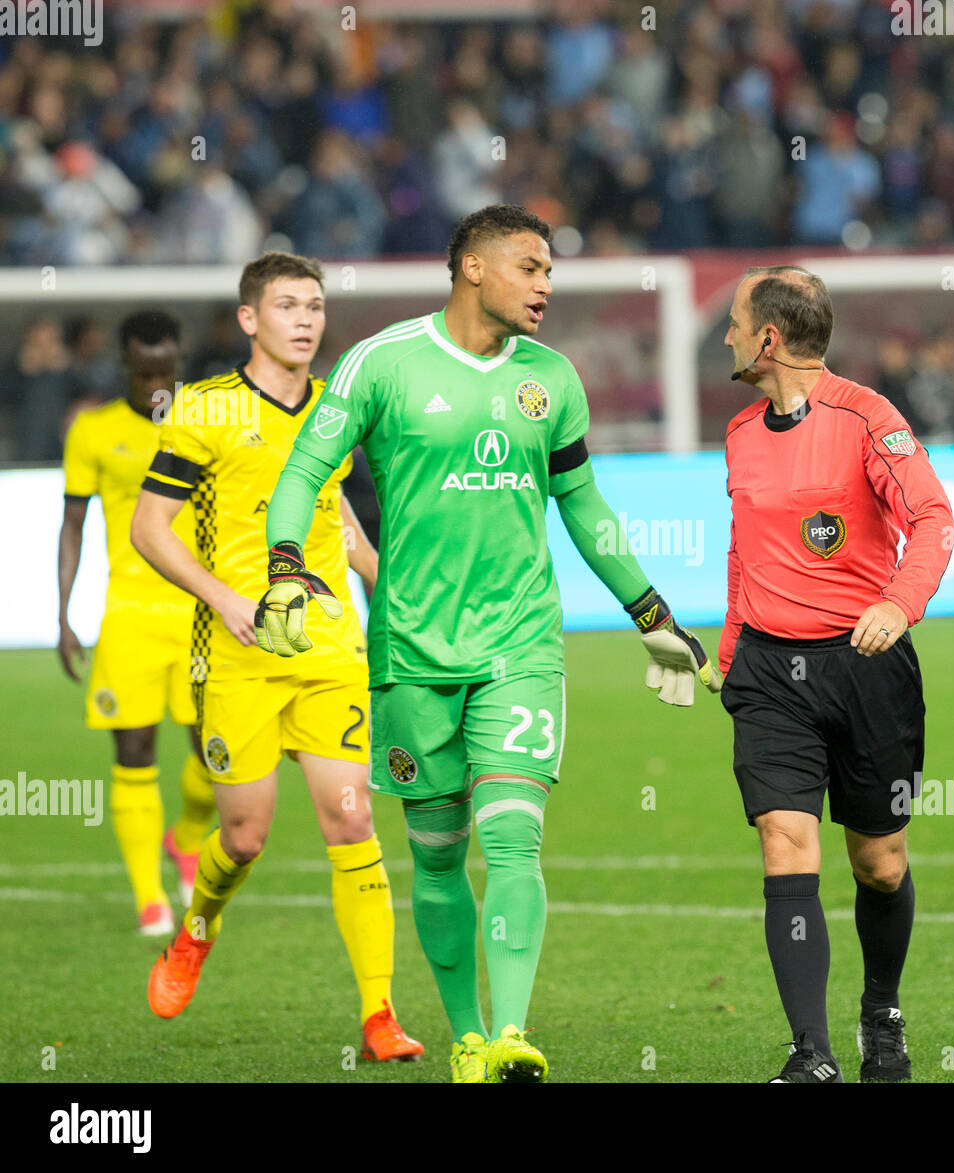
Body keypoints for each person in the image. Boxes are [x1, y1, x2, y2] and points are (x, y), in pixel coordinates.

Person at [254, 204, 719, 1083]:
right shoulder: (381, 364)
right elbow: (304, 472)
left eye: (550, 271)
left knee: (512, 840)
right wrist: (286, 567)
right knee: (436, 859)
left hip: (520, 645)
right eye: (531, 266)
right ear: (473, 267)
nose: (547, 285)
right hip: (410, 651)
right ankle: (467, 1034)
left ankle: (511, 1033)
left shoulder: (553, 379)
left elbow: (582, 505)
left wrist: (652, 614)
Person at [130, 252, 423, 1062]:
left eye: (316, 306)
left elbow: (342, 525)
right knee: (247, 835)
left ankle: (378, 1018)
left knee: (352, 817)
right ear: (250, 319)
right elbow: (149, 528)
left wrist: (393, 589)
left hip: (329, 646)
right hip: (237, 653)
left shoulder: (339, 410)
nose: (306, 319)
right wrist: (225, 600)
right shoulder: (203, 410)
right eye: (288, 305)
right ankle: (196, 930)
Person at [718, 265, 954, 1083]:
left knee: (878, 861)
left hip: (865, 667)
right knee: (785, 843)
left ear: (770, 339)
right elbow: (742, 550)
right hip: (769, 674)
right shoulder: (741, 432)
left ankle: (880, 1014)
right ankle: (809, 1051)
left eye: (736, 323)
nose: (728, 337)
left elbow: (933, 518)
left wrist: (900, 603)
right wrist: (728, 653)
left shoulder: (869, 418)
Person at [58, 310, 214, 935]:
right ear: (123, 361)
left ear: (179, 361)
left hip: (202, 609)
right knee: (134, 751)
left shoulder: (205, 420)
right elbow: (71, 523)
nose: (157, 383)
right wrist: (63, 612)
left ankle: (188, 837)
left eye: (166, 370)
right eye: (145, 369)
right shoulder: (92, 431)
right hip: (128, 612)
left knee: (213, 752)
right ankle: (150, 896)